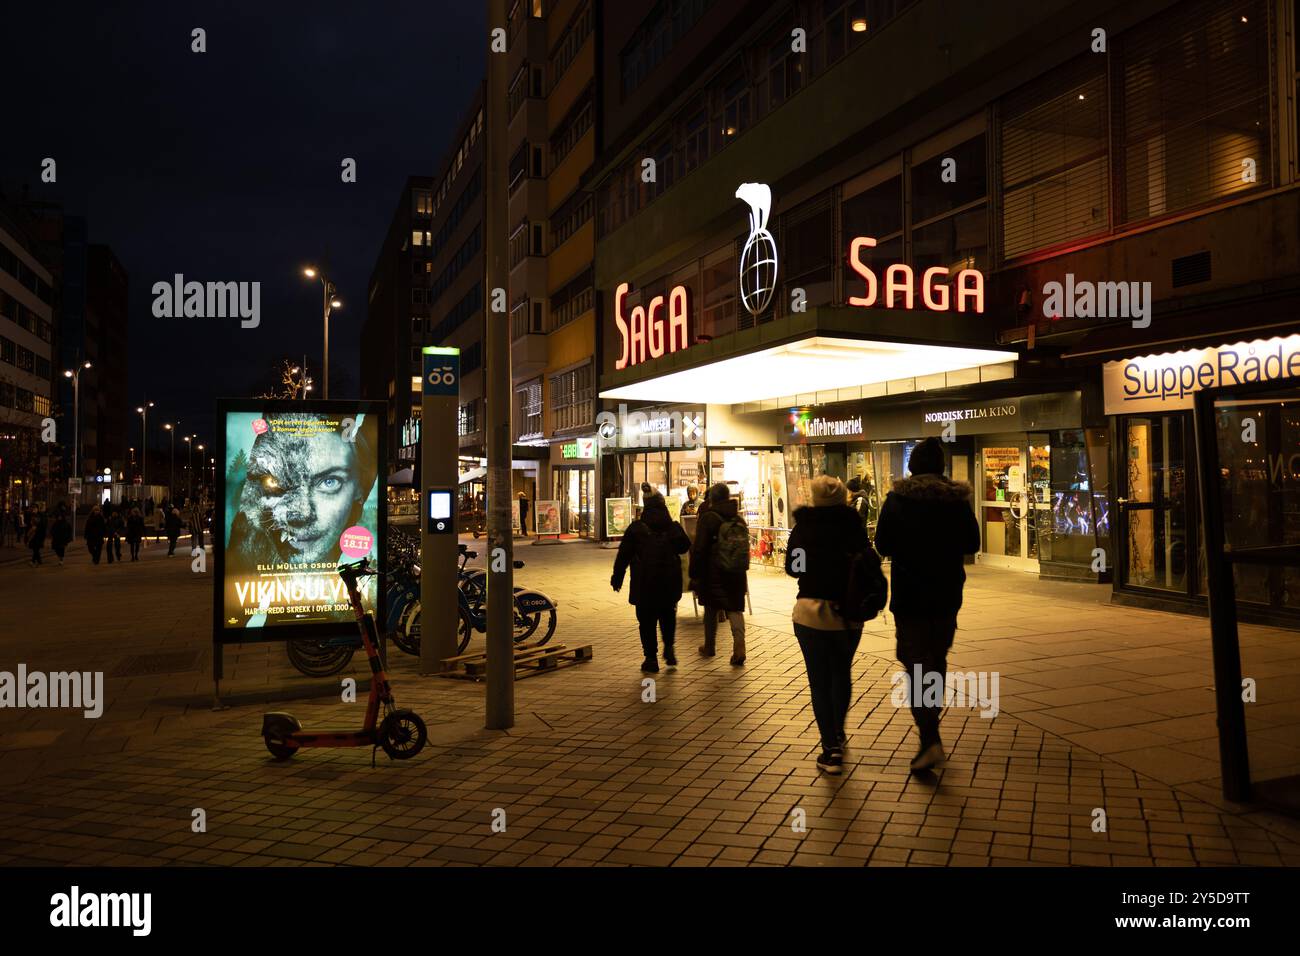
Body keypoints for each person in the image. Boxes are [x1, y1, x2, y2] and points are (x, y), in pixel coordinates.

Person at [873, 436, 981, 773]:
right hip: (947, 594)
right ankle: (930, 731)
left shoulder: (897, 500)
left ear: (912, 466)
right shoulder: (956, 501)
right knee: (935, 659)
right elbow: (972, 542)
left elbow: (882, 544)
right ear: (941, 466)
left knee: (914, 663)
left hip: (910, 595)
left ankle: (929, 738)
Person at [785, 475, 879, 775]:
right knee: (841, 675)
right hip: (848, 616)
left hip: (811, 612)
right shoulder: (853, 527)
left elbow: (793, 567)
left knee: (819, 682)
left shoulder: (803, 529)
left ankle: (831, 749)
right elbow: (869, 562)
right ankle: (838, 731)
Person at [611, 490, 692, 672]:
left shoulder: (636, 528)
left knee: (646, 621)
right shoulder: (672, 527)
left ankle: (650, 658)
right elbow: (684, 546)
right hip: (669, 582)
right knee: (667, 615)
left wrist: (617, 577)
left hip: (644, 582)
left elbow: (624, 554)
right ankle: (669, 647)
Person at [689, 483, 749, 665]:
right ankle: (739, 646)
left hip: (713, 571)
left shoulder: (708, 518)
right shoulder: (738, 519)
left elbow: (699, 548)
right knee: (735, 609)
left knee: (711, 608)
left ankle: (710, 646)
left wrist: (694, 573)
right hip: (736, 572)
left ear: (712, 499)